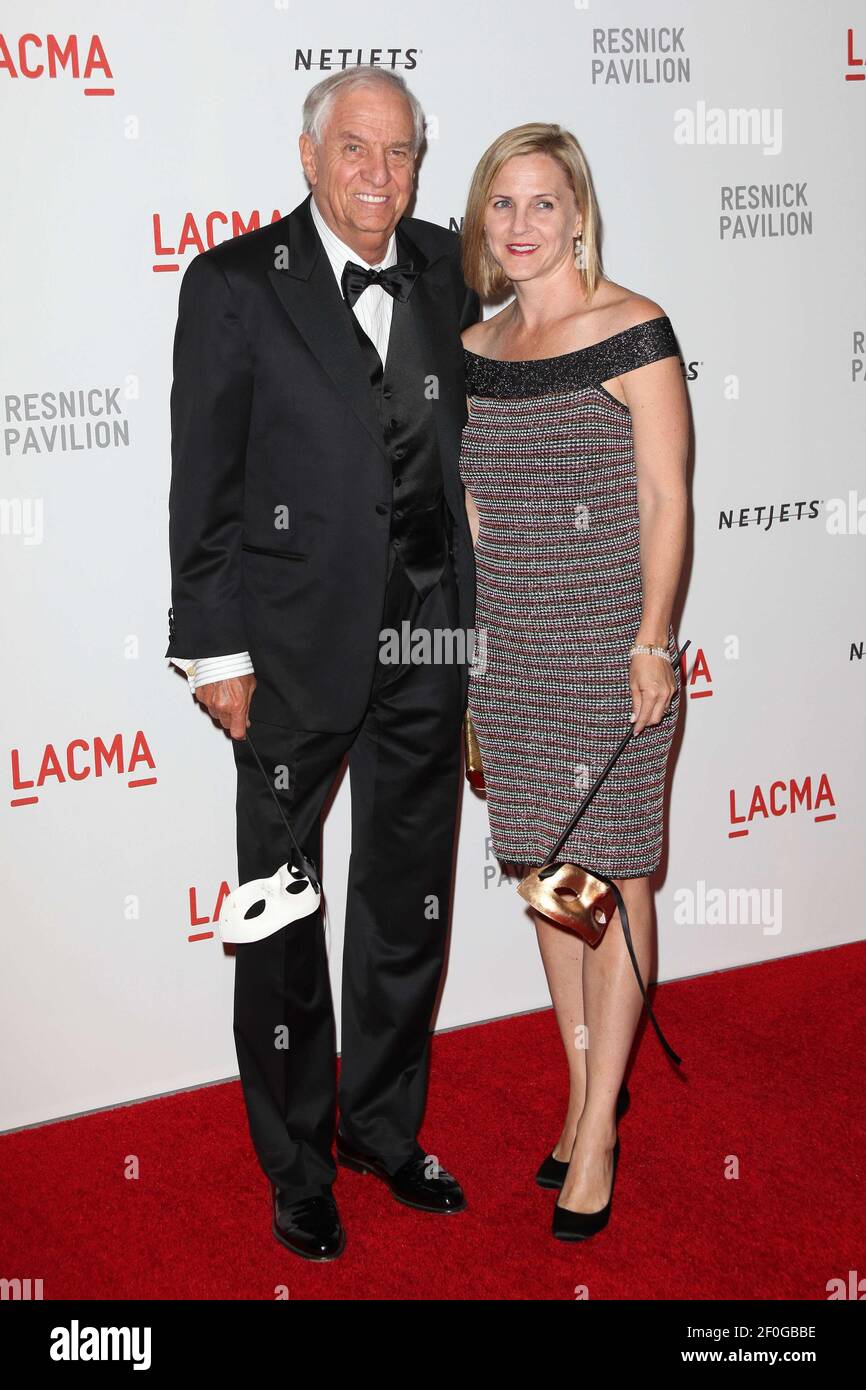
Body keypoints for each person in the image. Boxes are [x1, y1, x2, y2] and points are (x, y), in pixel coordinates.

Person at [165, 66, 480, 1260]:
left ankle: (382, 1130)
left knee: (409, 901)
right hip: (286, 657)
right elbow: (204, 484)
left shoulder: (457, 268)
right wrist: (213, 649)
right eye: (353, 148)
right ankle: (296, 1163)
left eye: (398, 151)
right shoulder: (237, 285)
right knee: (283, 915)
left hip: (429, 637)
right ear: (308, 156)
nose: (376, 174)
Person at [459, 123, 689, 1241]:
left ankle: (598, 1127)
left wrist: (653, 637)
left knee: (617, 878)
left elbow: (664, 498)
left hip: (612, 652)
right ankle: (581, 1080)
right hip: (515, 656)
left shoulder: (631, 329)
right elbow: (476, 521)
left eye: (540, 203)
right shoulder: (474, 343)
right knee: (551, 885)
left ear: (578, 212)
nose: (518, 225)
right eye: (500, 204)